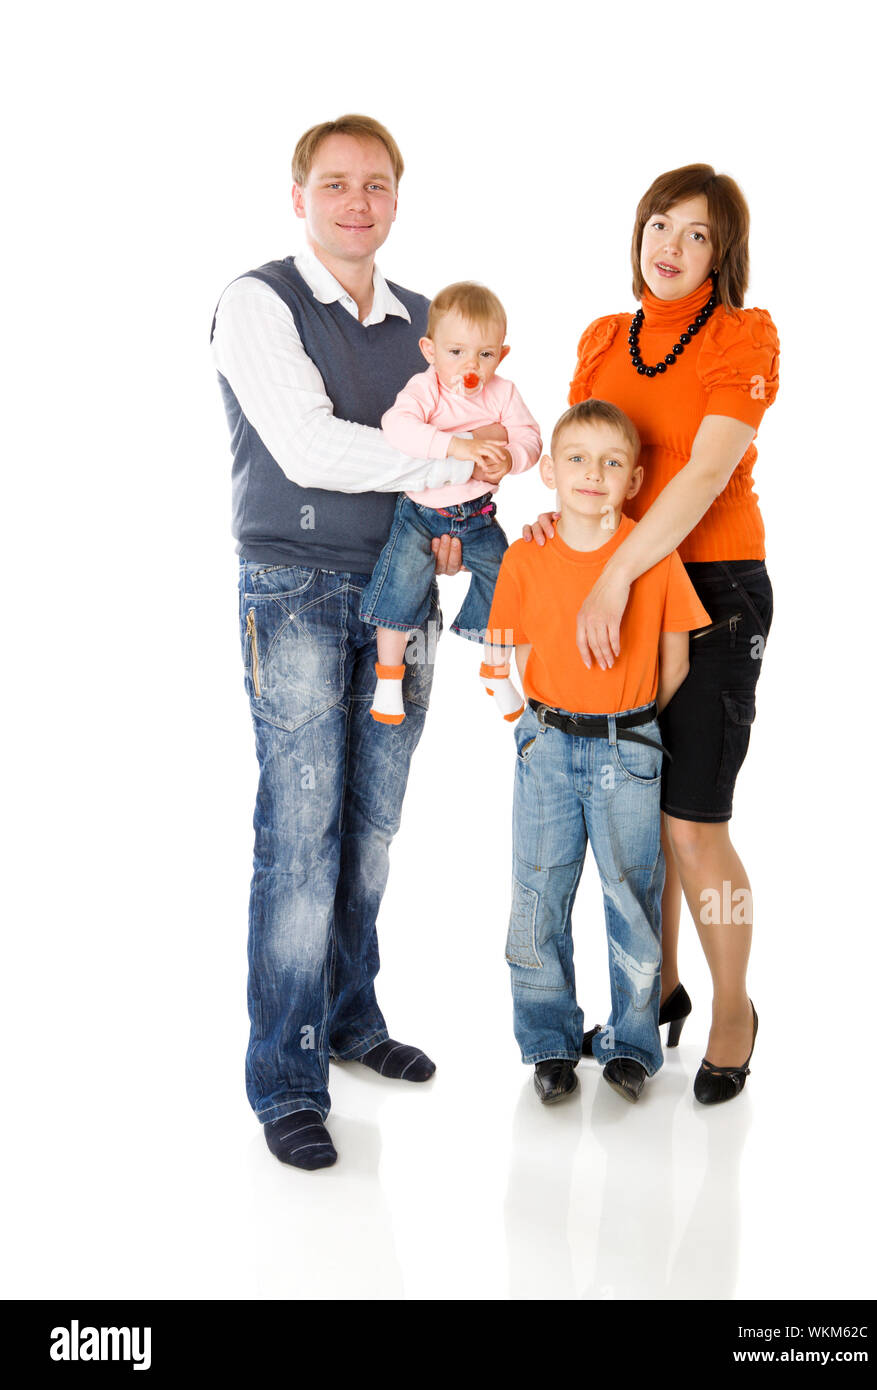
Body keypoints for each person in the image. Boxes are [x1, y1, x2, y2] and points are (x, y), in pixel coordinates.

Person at [210, 115, 502, 1170]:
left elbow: (479, 460)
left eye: (375, 183)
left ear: (396, 199)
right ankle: (286, 1079)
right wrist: (450, 464)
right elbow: (307, 447)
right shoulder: (259, 302)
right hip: (292, 586)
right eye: (334, 183)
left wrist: (466, 506)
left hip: (401, 595)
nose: (356, 201)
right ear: (300, 198)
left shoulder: (430, 324)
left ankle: (348, 1016)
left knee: (371, 827)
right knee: (301, 837)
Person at [526, 165, 780, 1104]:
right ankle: (657, 991)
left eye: (697, 234)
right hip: (620, 588)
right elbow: (589, 462)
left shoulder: (742, 336)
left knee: (692, 825)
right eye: (660, 225)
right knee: (635, 812)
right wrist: (561, 531)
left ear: (722, 255)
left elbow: (704, 476)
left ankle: (732, 1013)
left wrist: (613, 573)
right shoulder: (605, 338)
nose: (671, 247)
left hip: (712, 590)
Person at [486, 399, 710, 1105]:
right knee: (538, 894)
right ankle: (550, 1044)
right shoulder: (527, 555)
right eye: (577, 459)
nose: (593, 473)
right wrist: (539, 723)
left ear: (635, 479)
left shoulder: (653, 554)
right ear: (549, 471)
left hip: (629, 748)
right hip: (547, 746)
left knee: (632, 899)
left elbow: (675, 659)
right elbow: (510, 653)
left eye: (612, 462)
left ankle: (633, 1044)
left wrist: (631, 722)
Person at [362, 280, 541, 724]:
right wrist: (459, 446)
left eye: (486, 354)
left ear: (502, 355)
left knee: (511, 583)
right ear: (430, 350)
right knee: (402, 585)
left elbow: (530, 437)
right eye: (456, 352)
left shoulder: (503, 393)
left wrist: (512, 458)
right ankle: (389, 680)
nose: (471, 365)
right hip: (421, 515)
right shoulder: (426, 388)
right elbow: (397, 428)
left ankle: (496, 670)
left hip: (478, 517)